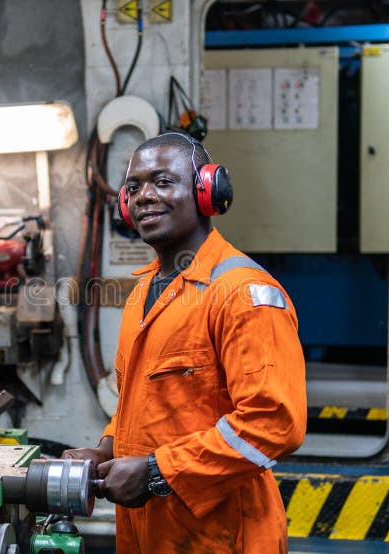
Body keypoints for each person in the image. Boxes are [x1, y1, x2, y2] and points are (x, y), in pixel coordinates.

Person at [62, 132, 307, 553]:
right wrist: (105, 450)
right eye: (134, 187)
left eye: (162, 181)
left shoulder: (242, 293)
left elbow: (274, 423)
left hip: (221, 535)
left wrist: (157, 473)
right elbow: (138, 404)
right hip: (147, 531)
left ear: (206, 191)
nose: (143, 196)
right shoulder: (143, 293)